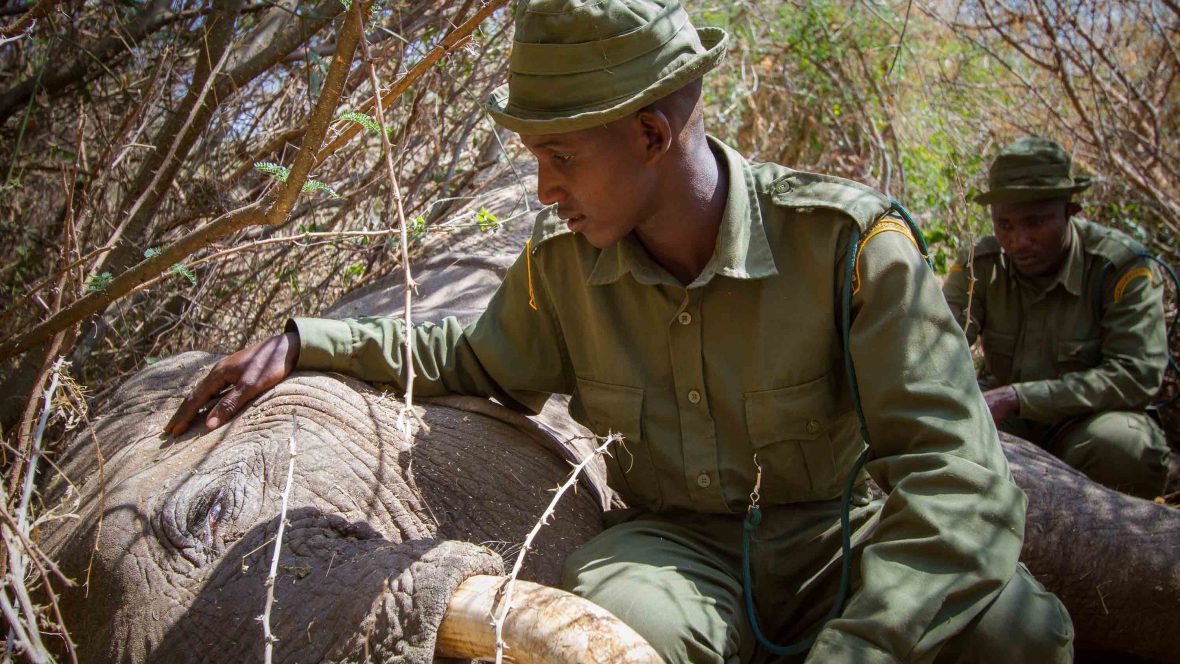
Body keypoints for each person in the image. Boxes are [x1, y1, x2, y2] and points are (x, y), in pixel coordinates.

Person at [166, 2, 1072, 661]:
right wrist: (307, 340)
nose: (543, 188)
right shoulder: (564, 268)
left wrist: (865, 646)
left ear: (648, 134)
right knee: (611, 628)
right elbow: (471, 360)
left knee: (1014, 633)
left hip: (847, 539)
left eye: (560, 156)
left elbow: (958, 481)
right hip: (684, 558)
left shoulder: (849, 246)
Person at [943, 136, 1171, 500]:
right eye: (1005, 226)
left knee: (1124, 449)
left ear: (1070, 211)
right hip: (1008, 420)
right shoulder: (981, 265)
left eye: (1035, 223)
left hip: (1088, 421)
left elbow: (1137, 374)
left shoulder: (1120, 268)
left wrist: (1021, 396)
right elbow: (938, 346)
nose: (1018, 240)